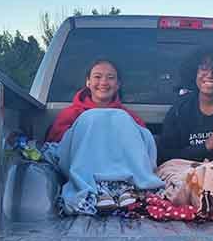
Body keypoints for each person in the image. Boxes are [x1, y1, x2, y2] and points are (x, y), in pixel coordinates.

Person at [44, 59, 162, 213]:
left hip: (127, 181)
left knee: (121, 118)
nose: (104, 82)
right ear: (88, 82)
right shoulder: (70, 114)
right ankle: (97, 190)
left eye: (110, 77)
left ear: (118, 84)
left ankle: (124, 190)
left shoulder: (127, 117)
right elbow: (62, 149)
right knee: (91, 118)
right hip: (87, 177)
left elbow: (144, 148)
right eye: (97, 77)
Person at [156, 46, 213, 163]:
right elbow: (165, 155)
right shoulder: (180, 109)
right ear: (194, 73)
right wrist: (207, 145)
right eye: (204, 68)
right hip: (185, 174)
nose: (210, 74)